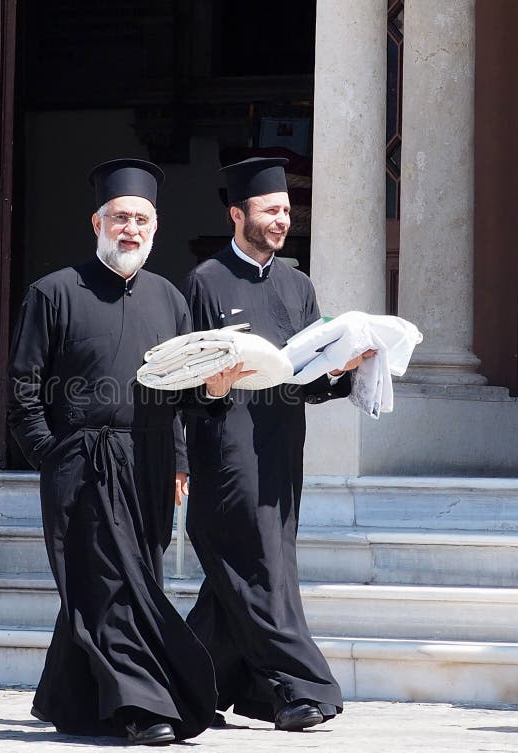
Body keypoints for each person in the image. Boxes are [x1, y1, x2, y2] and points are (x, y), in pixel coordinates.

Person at [7, 158, 245, 746]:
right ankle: (144, 707)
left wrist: (191, 444)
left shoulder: (169, 299)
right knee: (112, 584)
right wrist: (50, 456)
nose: (130, 229)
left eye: (141, 219)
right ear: (97, 222)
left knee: (126, 581)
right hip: (82, 462)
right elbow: (23, 388)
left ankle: (70, 697)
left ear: (155, 228)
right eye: (119, 218)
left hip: (152, 463)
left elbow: (186, 391)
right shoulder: (53, 292)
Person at [181, 157, 373, 732]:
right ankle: (300, 688)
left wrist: (347, 367)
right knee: (262, 571)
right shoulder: (204, 281)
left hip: (283, 455)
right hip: (227, 458)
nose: (281, 220)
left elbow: (307, 380)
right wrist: (204, 402)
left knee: (246, 576)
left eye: (286, 210)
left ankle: (189, 682)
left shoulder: (298, 284)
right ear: (237, 214)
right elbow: (181, 380)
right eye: (270, 210)